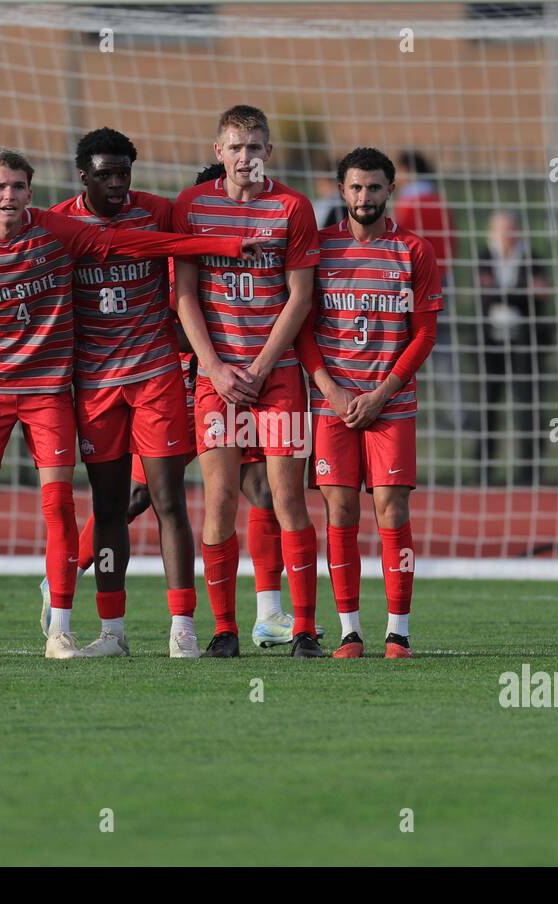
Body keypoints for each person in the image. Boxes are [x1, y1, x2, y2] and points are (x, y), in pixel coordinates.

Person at [0, 148, 258, 659]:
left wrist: (223, 242)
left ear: (32, 192)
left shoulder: (57, 231)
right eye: (0, 187)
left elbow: (135, 242)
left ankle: (64, 631)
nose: (10, 195)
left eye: (19, 187)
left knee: (66, 506)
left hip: (52, 392)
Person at [53, 160, 320, 650]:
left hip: (238, 378)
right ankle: (63, 575)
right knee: (143, 496)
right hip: (180, 378)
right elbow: (177, 303)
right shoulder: (182, 234)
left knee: (264, 491)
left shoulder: (251, 223)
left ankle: (268, 613)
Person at [173, 104, 324, 658]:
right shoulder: (192, 206)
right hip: (215, 379)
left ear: (269, 153)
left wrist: (260, 368)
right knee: (218, 502)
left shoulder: (292, 207)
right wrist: (213, 368)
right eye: (235, 147)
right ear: (218, 153)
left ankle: (303, 628)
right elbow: (184, 294)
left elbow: (301, 297)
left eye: (255, 147)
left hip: (277, 377)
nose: (246, 157)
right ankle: (224, 630)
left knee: (287, 501)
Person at [296, 147, 442, 659]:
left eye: (374, 187)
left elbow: (423, 334)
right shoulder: (319, 250)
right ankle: (350, 631)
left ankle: (398, 631)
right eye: (356, 187)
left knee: (390, 506)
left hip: (390, 405)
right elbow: (303, 329)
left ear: (390, 190)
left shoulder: (415, 252)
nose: (365, 196)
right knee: (338, 508)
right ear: (342, 191)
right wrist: (332, 392)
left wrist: (382, 393)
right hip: (334, 405)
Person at [475, 211, 551, 484]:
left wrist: (504, 293)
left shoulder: (531, 257)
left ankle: (529, 471)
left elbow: (540, 294)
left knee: (528, 403)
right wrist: (519, 293)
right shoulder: (485, 255)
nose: (506, 236)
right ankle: (483, 470)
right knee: (487, 403)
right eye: (501, 230)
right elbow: (485, 292)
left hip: (525, 340)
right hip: (490, 340)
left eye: (511, 229)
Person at [394, 151, 461, 427]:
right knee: (442, 348)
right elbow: (452, 243)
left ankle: (400, 406)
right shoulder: (441, 201)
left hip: (410, 282)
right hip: (442, 280)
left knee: (402, 346)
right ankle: (457, 414)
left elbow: (399, 246)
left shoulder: (408, 204)